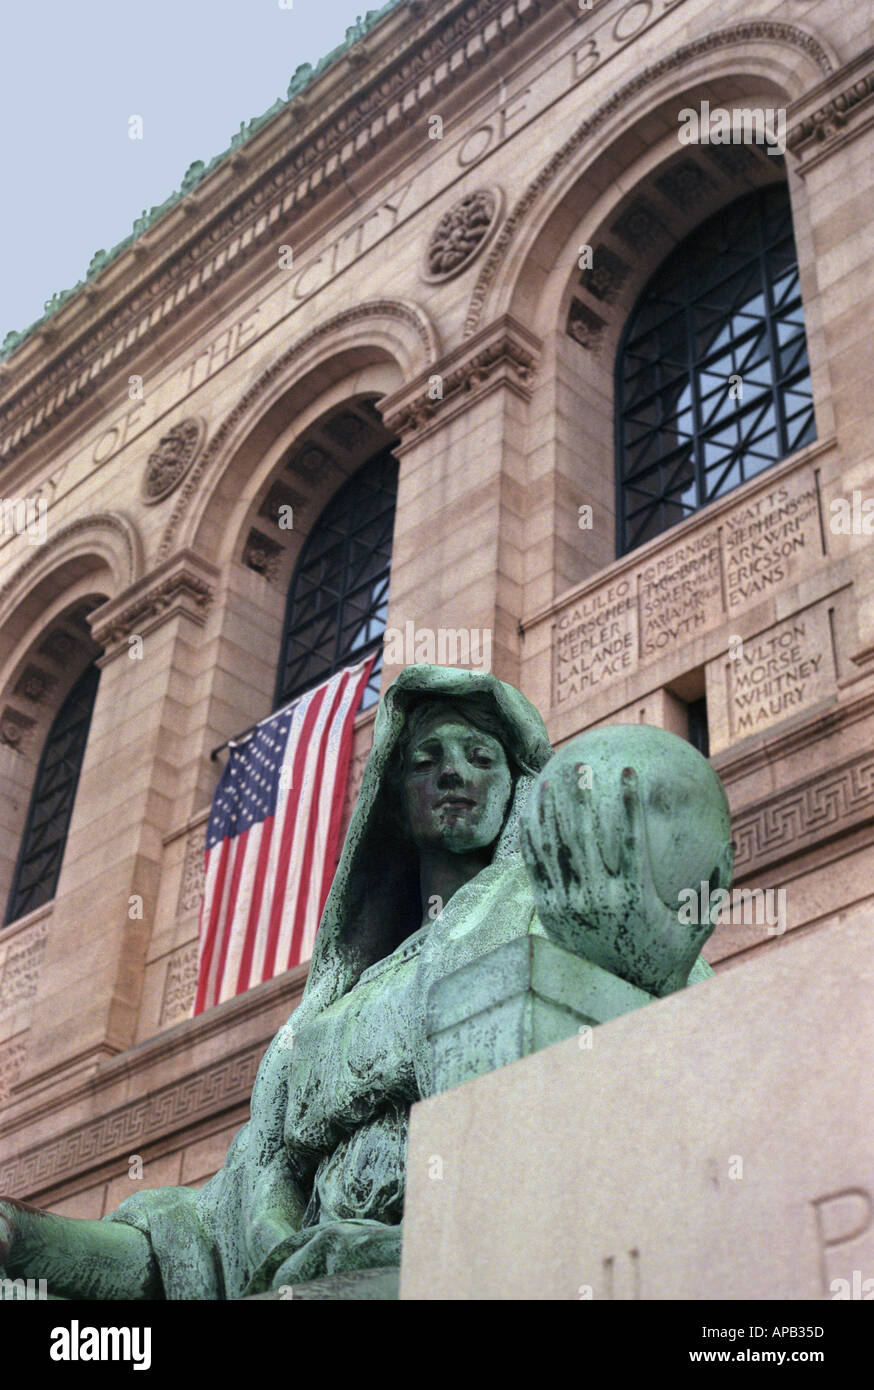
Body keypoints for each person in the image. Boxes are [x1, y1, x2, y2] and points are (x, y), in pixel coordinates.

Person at [0, 665, 732, 1298]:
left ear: (519, 787)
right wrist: (27, 1240)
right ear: (393, 794)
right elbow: (198, 1237)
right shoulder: (316, 1026)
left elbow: (678, 1066)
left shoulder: (563, 919)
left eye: (482, 756)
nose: (454, 772)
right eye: (428, 759)